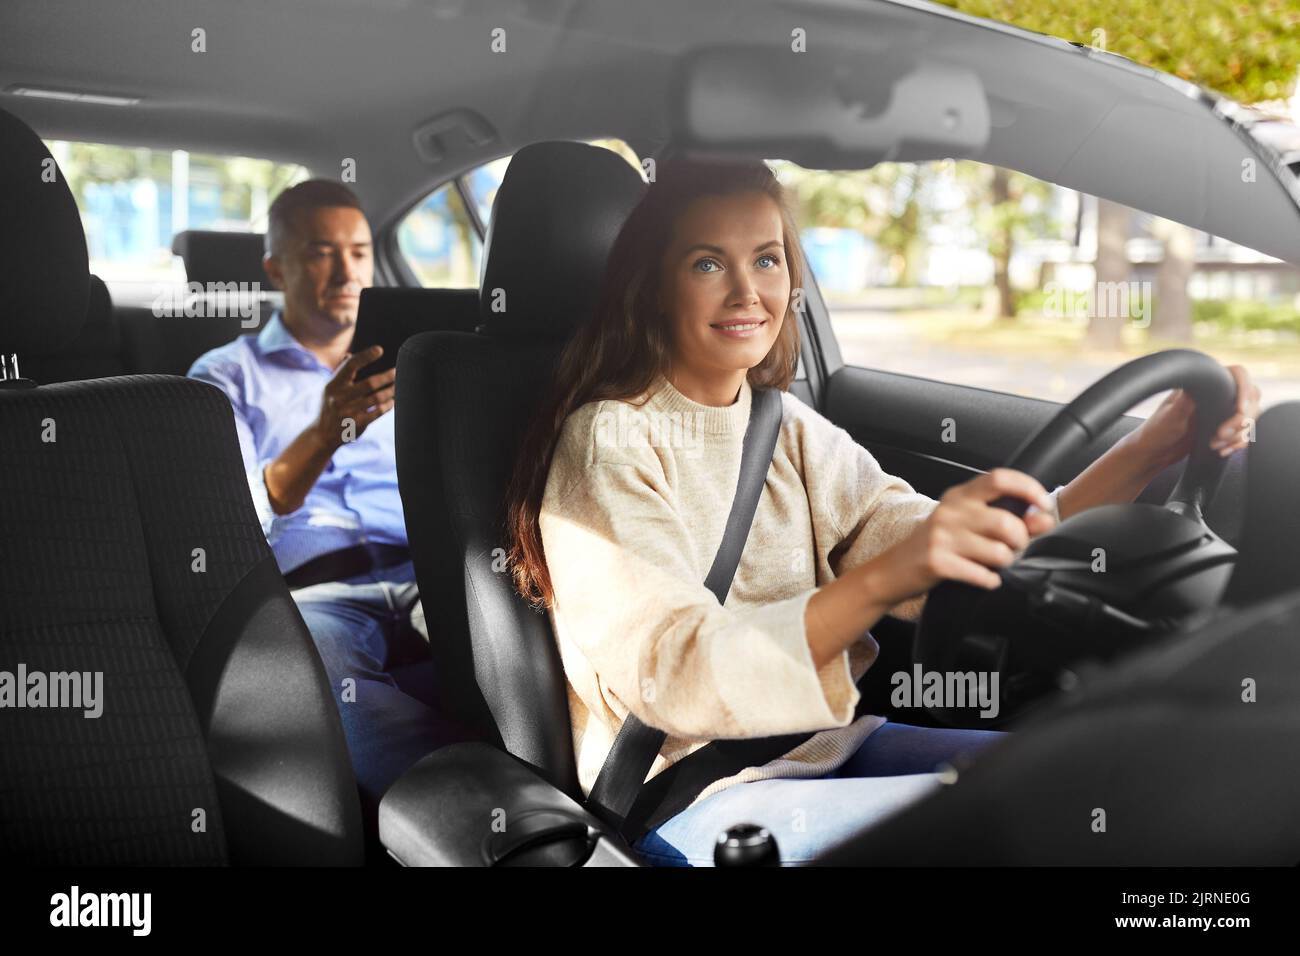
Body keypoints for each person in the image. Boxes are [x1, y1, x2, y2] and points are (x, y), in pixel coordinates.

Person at [503, 158, 1261, 866]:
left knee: (1112, 784)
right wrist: (882, 580)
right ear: (652, 286)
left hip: (831, 746)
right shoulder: (609, 439)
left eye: (767, 259)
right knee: (1048, 825)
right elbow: (675, 671)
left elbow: (957, 555)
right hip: (701, 799)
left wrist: (1149, 451)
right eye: (708, 263)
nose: (747, 292)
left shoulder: (788, 428)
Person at [187, 180, 458, 841]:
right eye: (320, 253)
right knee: (331, 687)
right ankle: (473, 822)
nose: (346, 272)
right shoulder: (224, 376)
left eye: (360, 252)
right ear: (276, 268)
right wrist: (324, 431)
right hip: (312, 591)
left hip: (425, 568)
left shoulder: (417, 363)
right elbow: (237, 520)